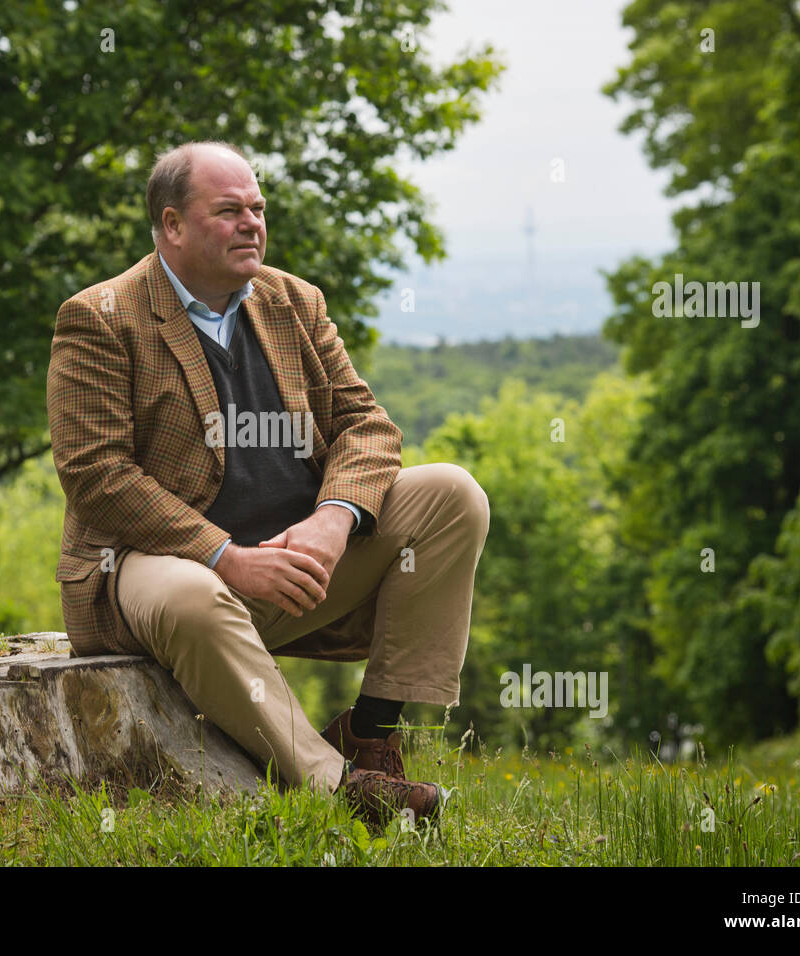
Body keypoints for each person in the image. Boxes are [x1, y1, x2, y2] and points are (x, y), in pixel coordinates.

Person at [46, 140, 490, 827]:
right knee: (196, 595)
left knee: (452, 493)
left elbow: (369, 428)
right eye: (229, 211)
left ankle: (372, 732)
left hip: (297, 565)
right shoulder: (99, 318)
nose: (252, 223)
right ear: (171, 225)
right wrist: (228, 557)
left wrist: (333, 517)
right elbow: (96, 475)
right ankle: (337, 786)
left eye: (257, 208)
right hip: (155, 571)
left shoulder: (295, 302)